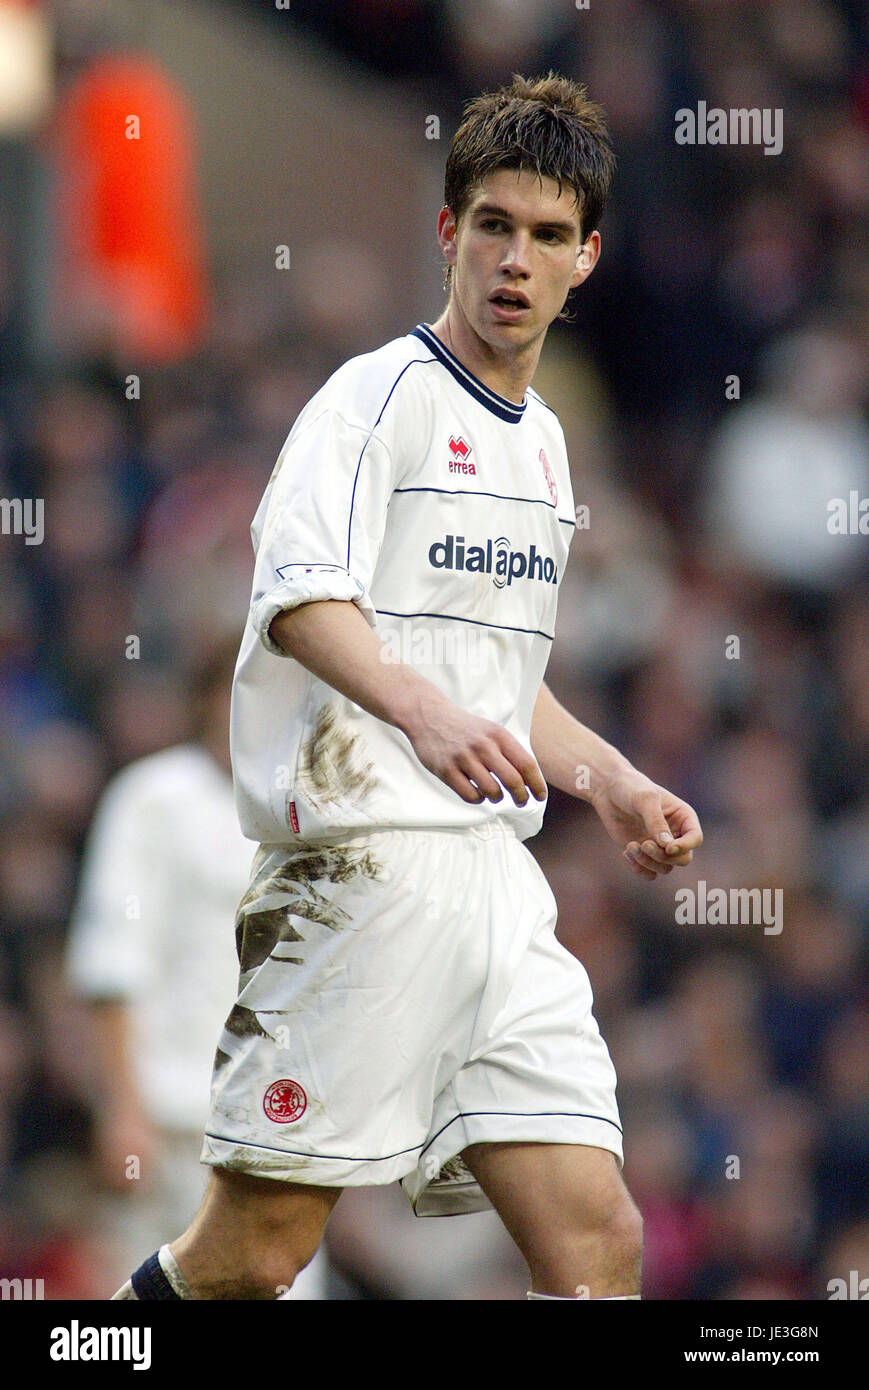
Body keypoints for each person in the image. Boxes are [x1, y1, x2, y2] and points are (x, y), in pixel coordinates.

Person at [113, 72, 702, 1303]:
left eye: (547, 236)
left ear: (585, 259)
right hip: (361, 864)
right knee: (251, 1255)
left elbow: (504, 678)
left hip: (494, 883)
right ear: (448, 232)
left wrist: (614, 779)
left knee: (597, 1243)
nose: (514, 258)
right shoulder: (371, 398)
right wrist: (418, 712)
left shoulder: (542, 447)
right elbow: (297, 598)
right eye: (492, 224)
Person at [67, 645, 329, 1298]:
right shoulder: (153, 797)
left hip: (279, 1127)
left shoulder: (317, 810)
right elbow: (112, 967)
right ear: (211, 697)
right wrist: (122, 1110)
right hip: (171, 1117)